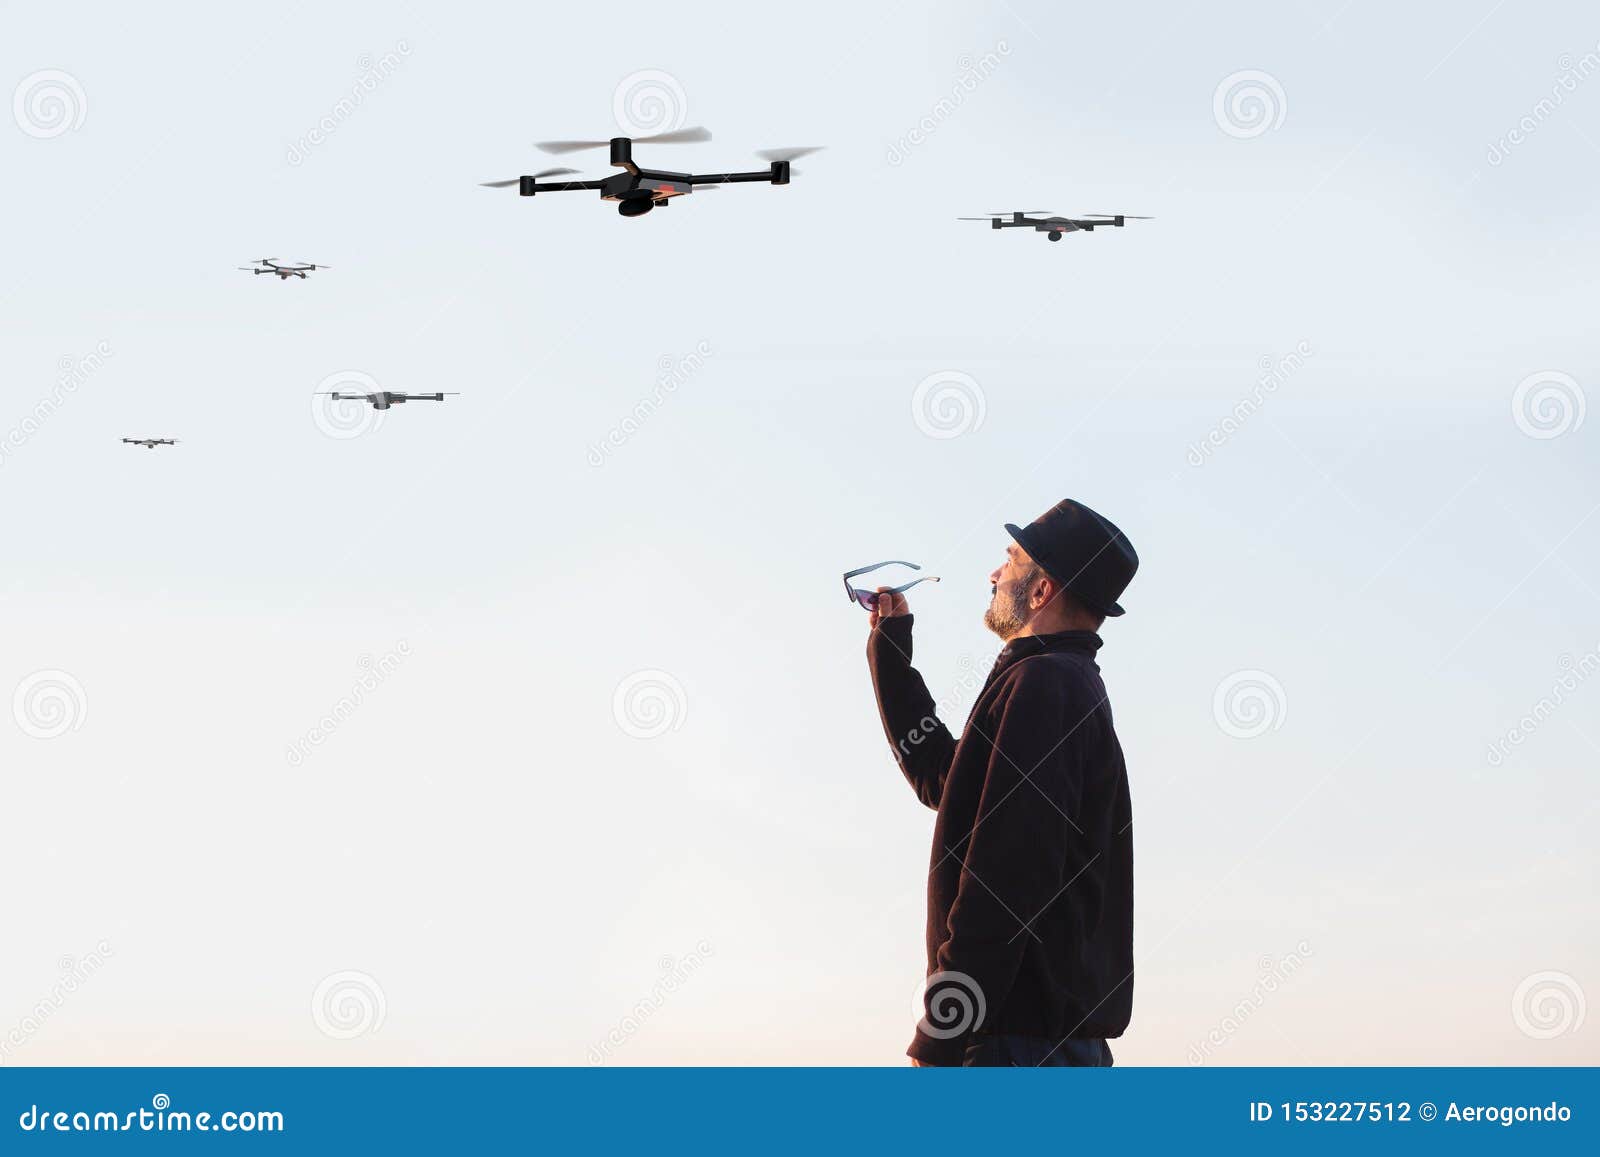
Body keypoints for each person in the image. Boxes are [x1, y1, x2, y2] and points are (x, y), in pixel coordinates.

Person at [865, 499, 1139, 1067]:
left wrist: (944, 1029)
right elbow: (945, 779)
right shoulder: (1053, 682)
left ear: (1041, 592)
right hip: (1030, 1043)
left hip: (1018, 1049)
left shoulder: (1046, 687)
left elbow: (1007, 878)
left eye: (1011, 561)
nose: (994, 575)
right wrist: (891, 652)